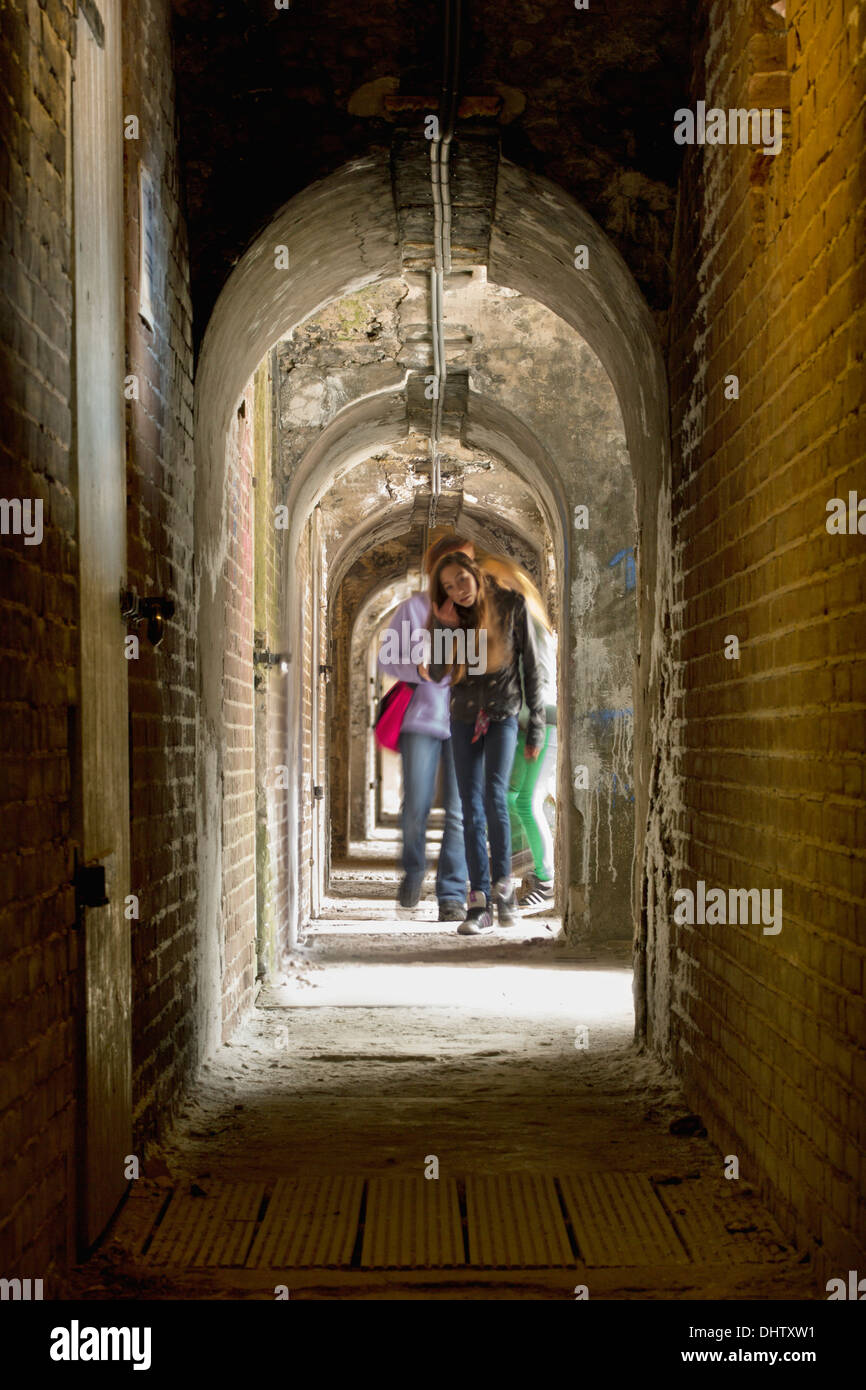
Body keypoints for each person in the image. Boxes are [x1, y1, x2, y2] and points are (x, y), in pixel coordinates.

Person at [423, 552, 545, 935]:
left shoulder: (510, 605)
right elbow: (438, 673)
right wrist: (443, 628)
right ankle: (479, 904)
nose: (458, 590)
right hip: (463, 717)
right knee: (470, 806)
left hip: (502, 713)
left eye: (461, 579)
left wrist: (537, 726)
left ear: (473, 573)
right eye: (448, 586)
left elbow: (531, 667)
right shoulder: (450, 617)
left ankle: (504, 891)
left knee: (495, 798)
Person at [376, 535, 476, 921]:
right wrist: (417, 668)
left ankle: (451, 895)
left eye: (468, 564)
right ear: (436, 570)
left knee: (459, 811)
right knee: (416, 805)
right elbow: (387, 660)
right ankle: (414, 871)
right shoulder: (413, 609)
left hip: (465, 721)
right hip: (421, 720)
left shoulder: (479, 613)